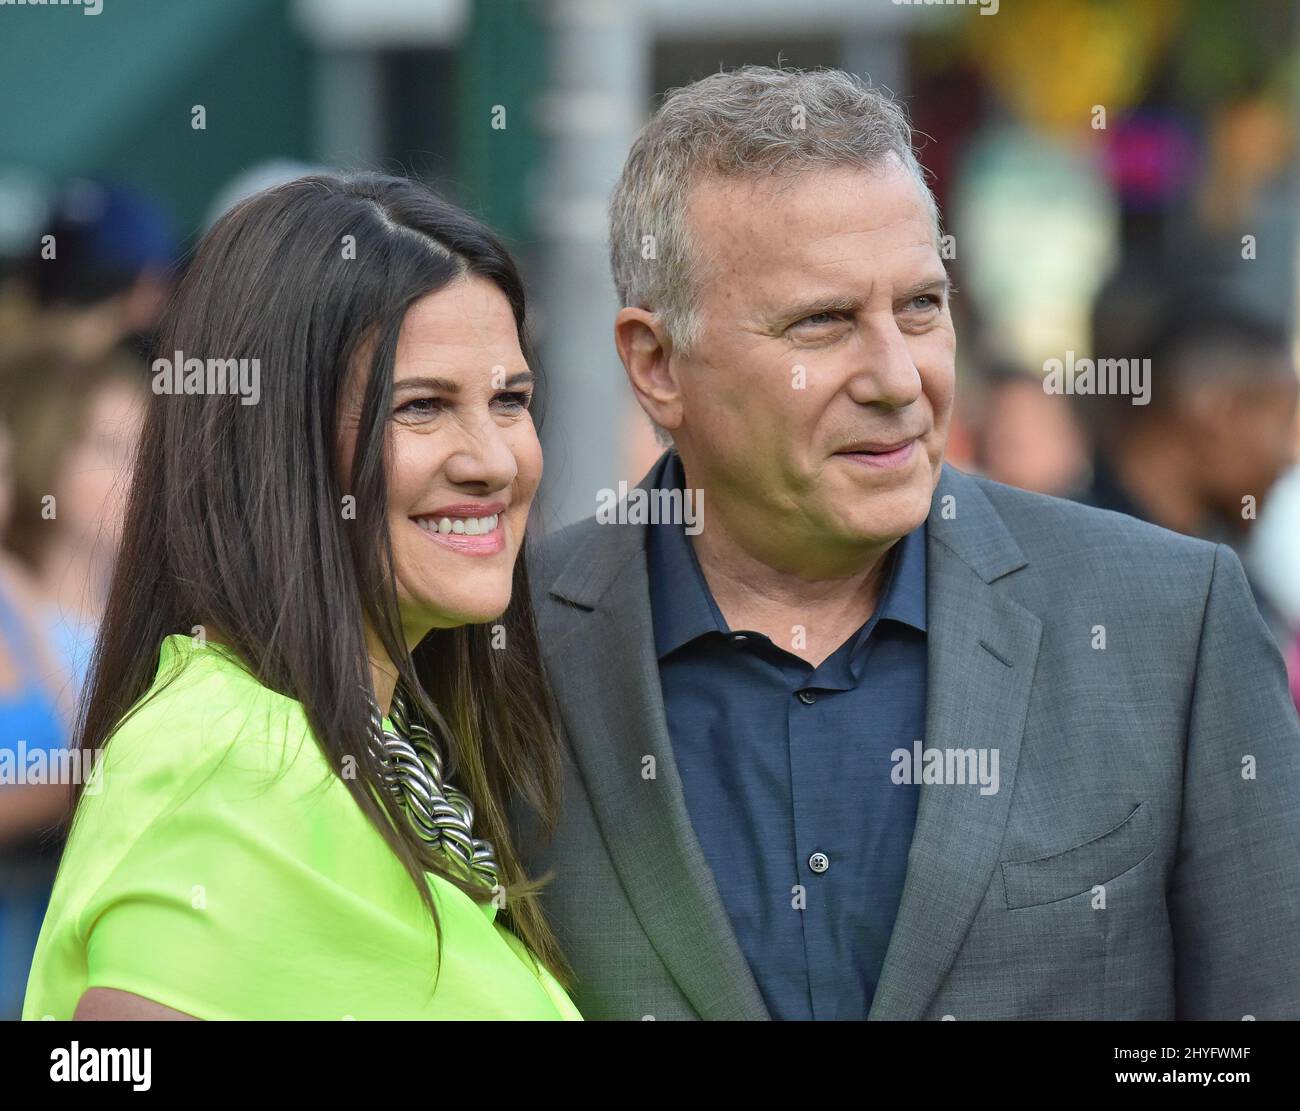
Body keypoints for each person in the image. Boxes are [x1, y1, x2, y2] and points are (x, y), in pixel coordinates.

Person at [519, 66, 1300, 1020]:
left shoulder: (1166, 622)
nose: (899, 376)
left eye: (922, 307)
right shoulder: (504, 653)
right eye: (824, 321)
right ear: (656, 364)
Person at [23, 173, 580, 1020]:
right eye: (422, 406)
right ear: (273, 446)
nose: (494, 460)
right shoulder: (228, 755)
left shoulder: (361, 738)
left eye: (510, 399)